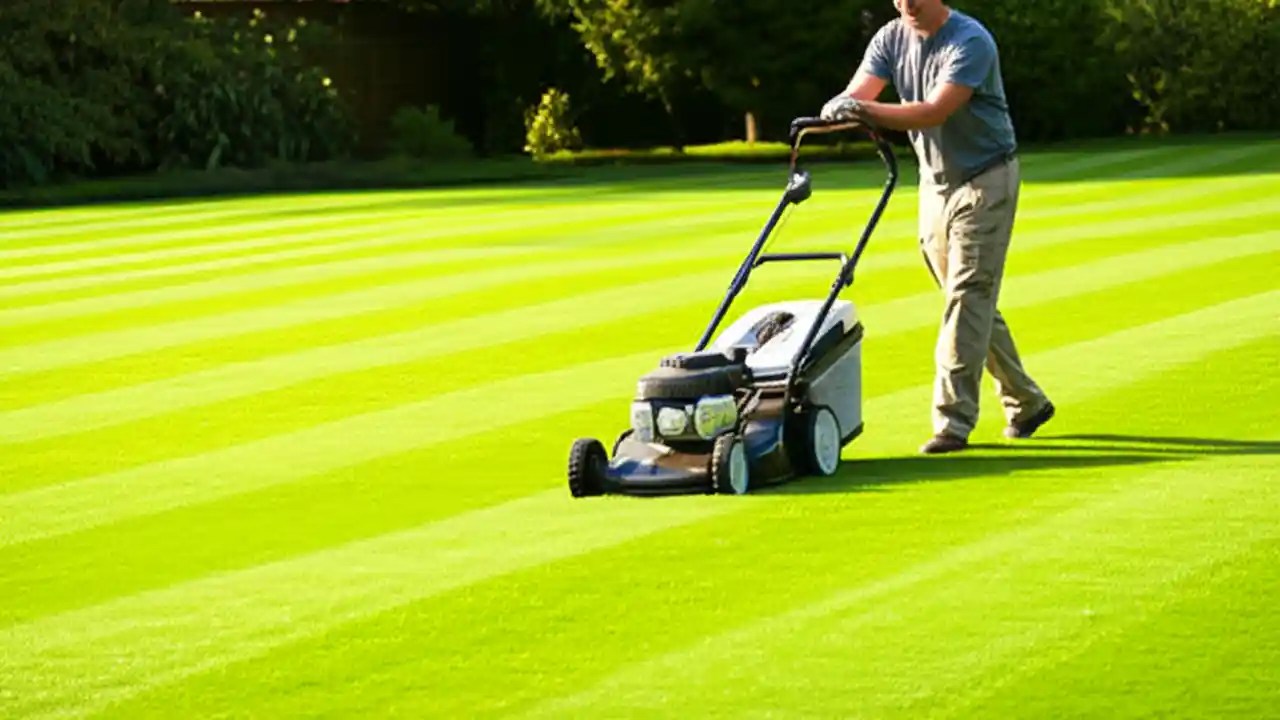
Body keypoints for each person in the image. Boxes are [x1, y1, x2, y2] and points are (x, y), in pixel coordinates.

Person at [820, 0, 1054, 454]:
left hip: (985, 177)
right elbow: (859, 92)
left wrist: (862, 110)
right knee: (966, 299)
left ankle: (952, 423)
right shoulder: (890, 37)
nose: (906, 3)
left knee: (967, 297)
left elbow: (933, 111)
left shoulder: (970, 40)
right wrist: (838, 109)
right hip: (935, 183)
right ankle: (1027, 402)